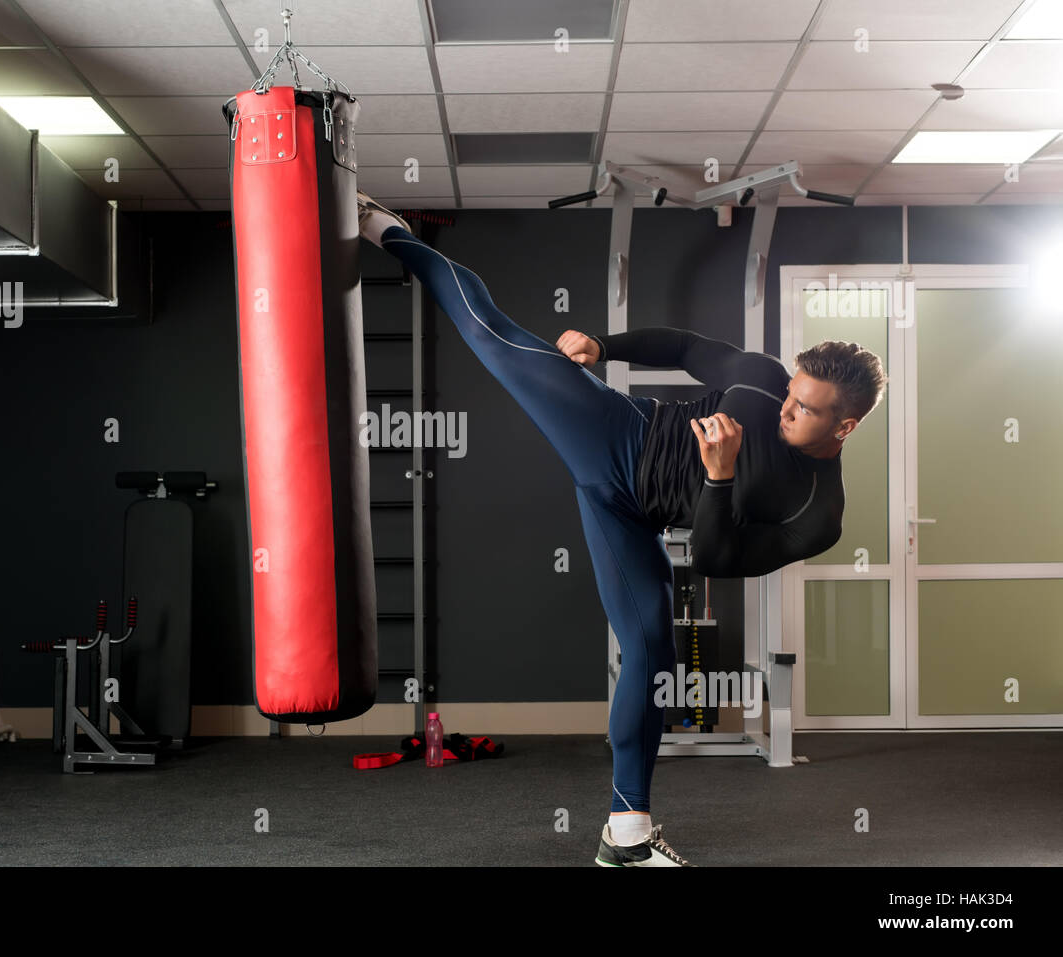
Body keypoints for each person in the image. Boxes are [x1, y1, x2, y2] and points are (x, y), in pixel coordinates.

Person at [356, 191, 888, 866]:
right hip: (615, 438)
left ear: (846, 426)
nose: (787, 407)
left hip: (626, 513)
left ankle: (625, 832)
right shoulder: (760, 383)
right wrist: (604, 344)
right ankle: (385, 228)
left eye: (807, 408)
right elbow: (688, 347)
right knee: (493, 332)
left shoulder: (817, 513)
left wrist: (719, 479)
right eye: (792, 392)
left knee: (651, 653)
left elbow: (718, 559)